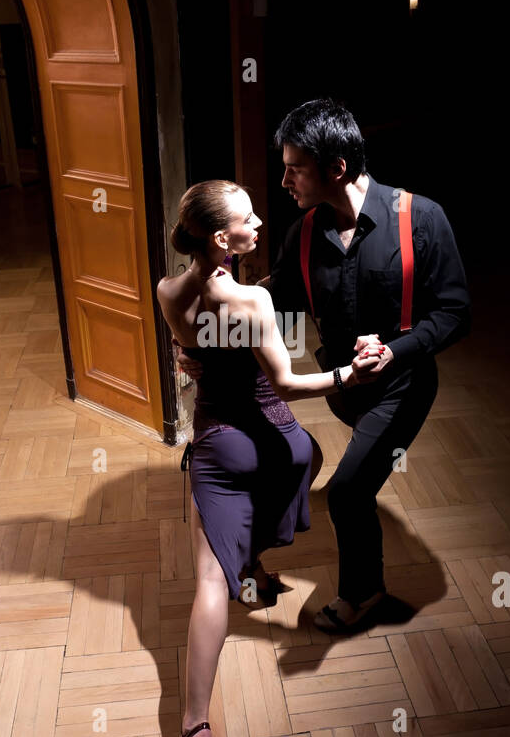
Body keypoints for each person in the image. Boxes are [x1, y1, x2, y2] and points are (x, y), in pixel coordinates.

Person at [176, 99, 471, 638]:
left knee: (348, 491)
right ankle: (247, 558)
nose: (284, 179)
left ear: (336, 168)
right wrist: (208, 338)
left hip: (400, 386)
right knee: (313, 463)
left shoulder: (421, 217)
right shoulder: (304, 232)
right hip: (341, 387)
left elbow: (454, 313)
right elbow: (274, 300)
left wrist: (394, 351)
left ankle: (365, 592)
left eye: (295, 167)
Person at [154, 178, 384, 737]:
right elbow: (284, 382)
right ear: (223, 238)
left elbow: (193, 356)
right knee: (303, 456)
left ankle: (194, 728)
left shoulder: (168, 290)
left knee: (208, 581)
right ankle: (250, 564)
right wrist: (349, 374)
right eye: (249, 217)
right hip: (281, 442)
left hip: (222, 443)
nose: (261, 220)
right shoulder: (251, 299)